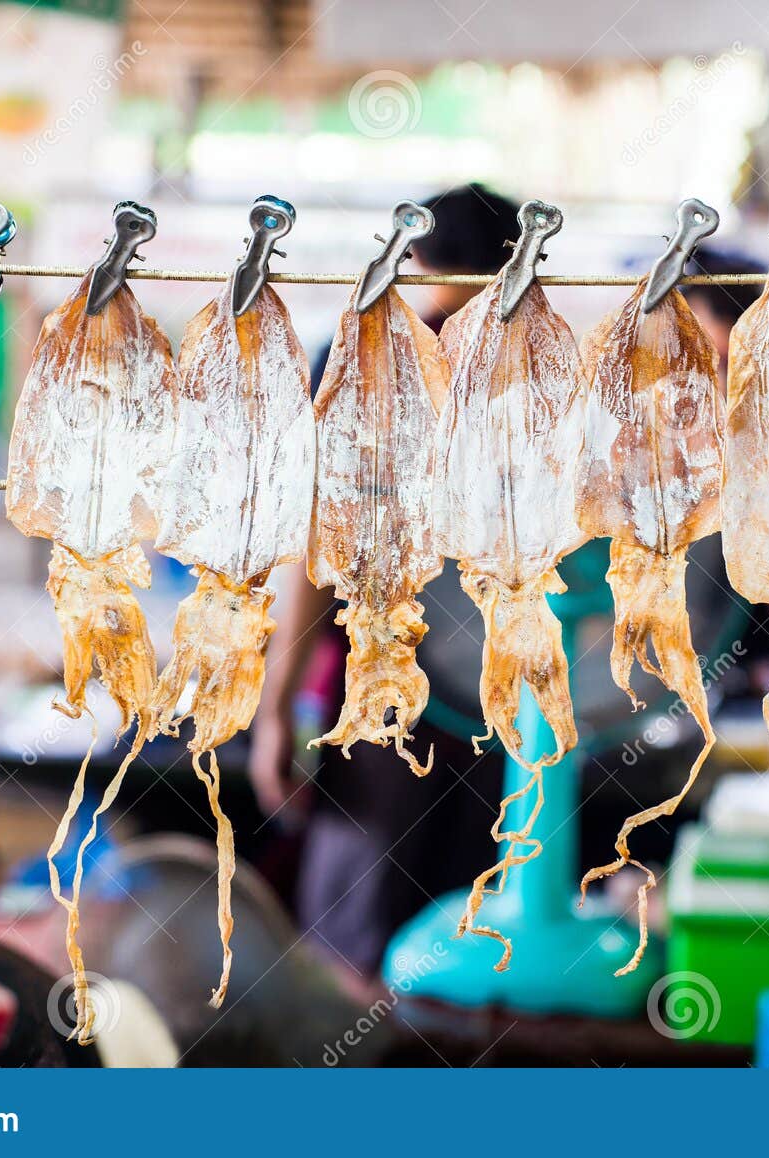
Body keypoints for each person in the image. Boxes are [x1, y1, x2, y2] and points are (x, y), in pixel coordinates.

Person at [249, 185, 519, 971]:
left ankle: (358, 1036)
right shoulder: (533, 369)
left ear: (419, 259)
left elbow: (316, 549)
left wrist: (276, 708)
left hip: (385, 699)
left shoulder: (365, 357)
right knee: (472, 937)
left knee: (353, 944)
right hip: (503, 702)